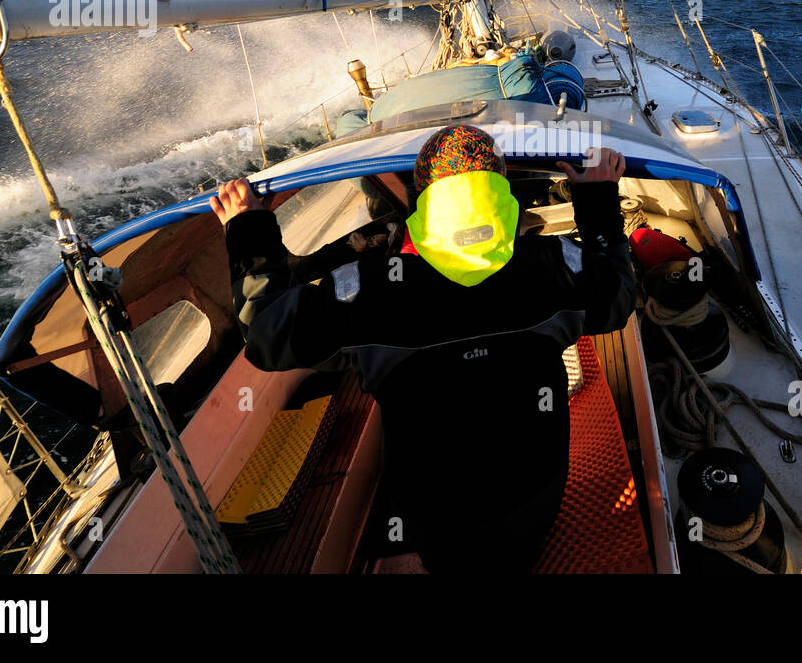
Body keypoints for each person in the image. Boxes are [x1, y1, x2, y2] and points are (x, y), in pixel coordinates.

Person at [212, 125, 635, 572]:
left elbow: (265, 333)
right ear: (500, 186)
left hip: (435, 524)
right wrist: (597, 202)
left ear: (423, 198)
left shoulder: (370, 290)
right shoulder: (555, 265)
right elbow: (618, 299)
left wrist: (249, 229)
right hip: (536, 502)